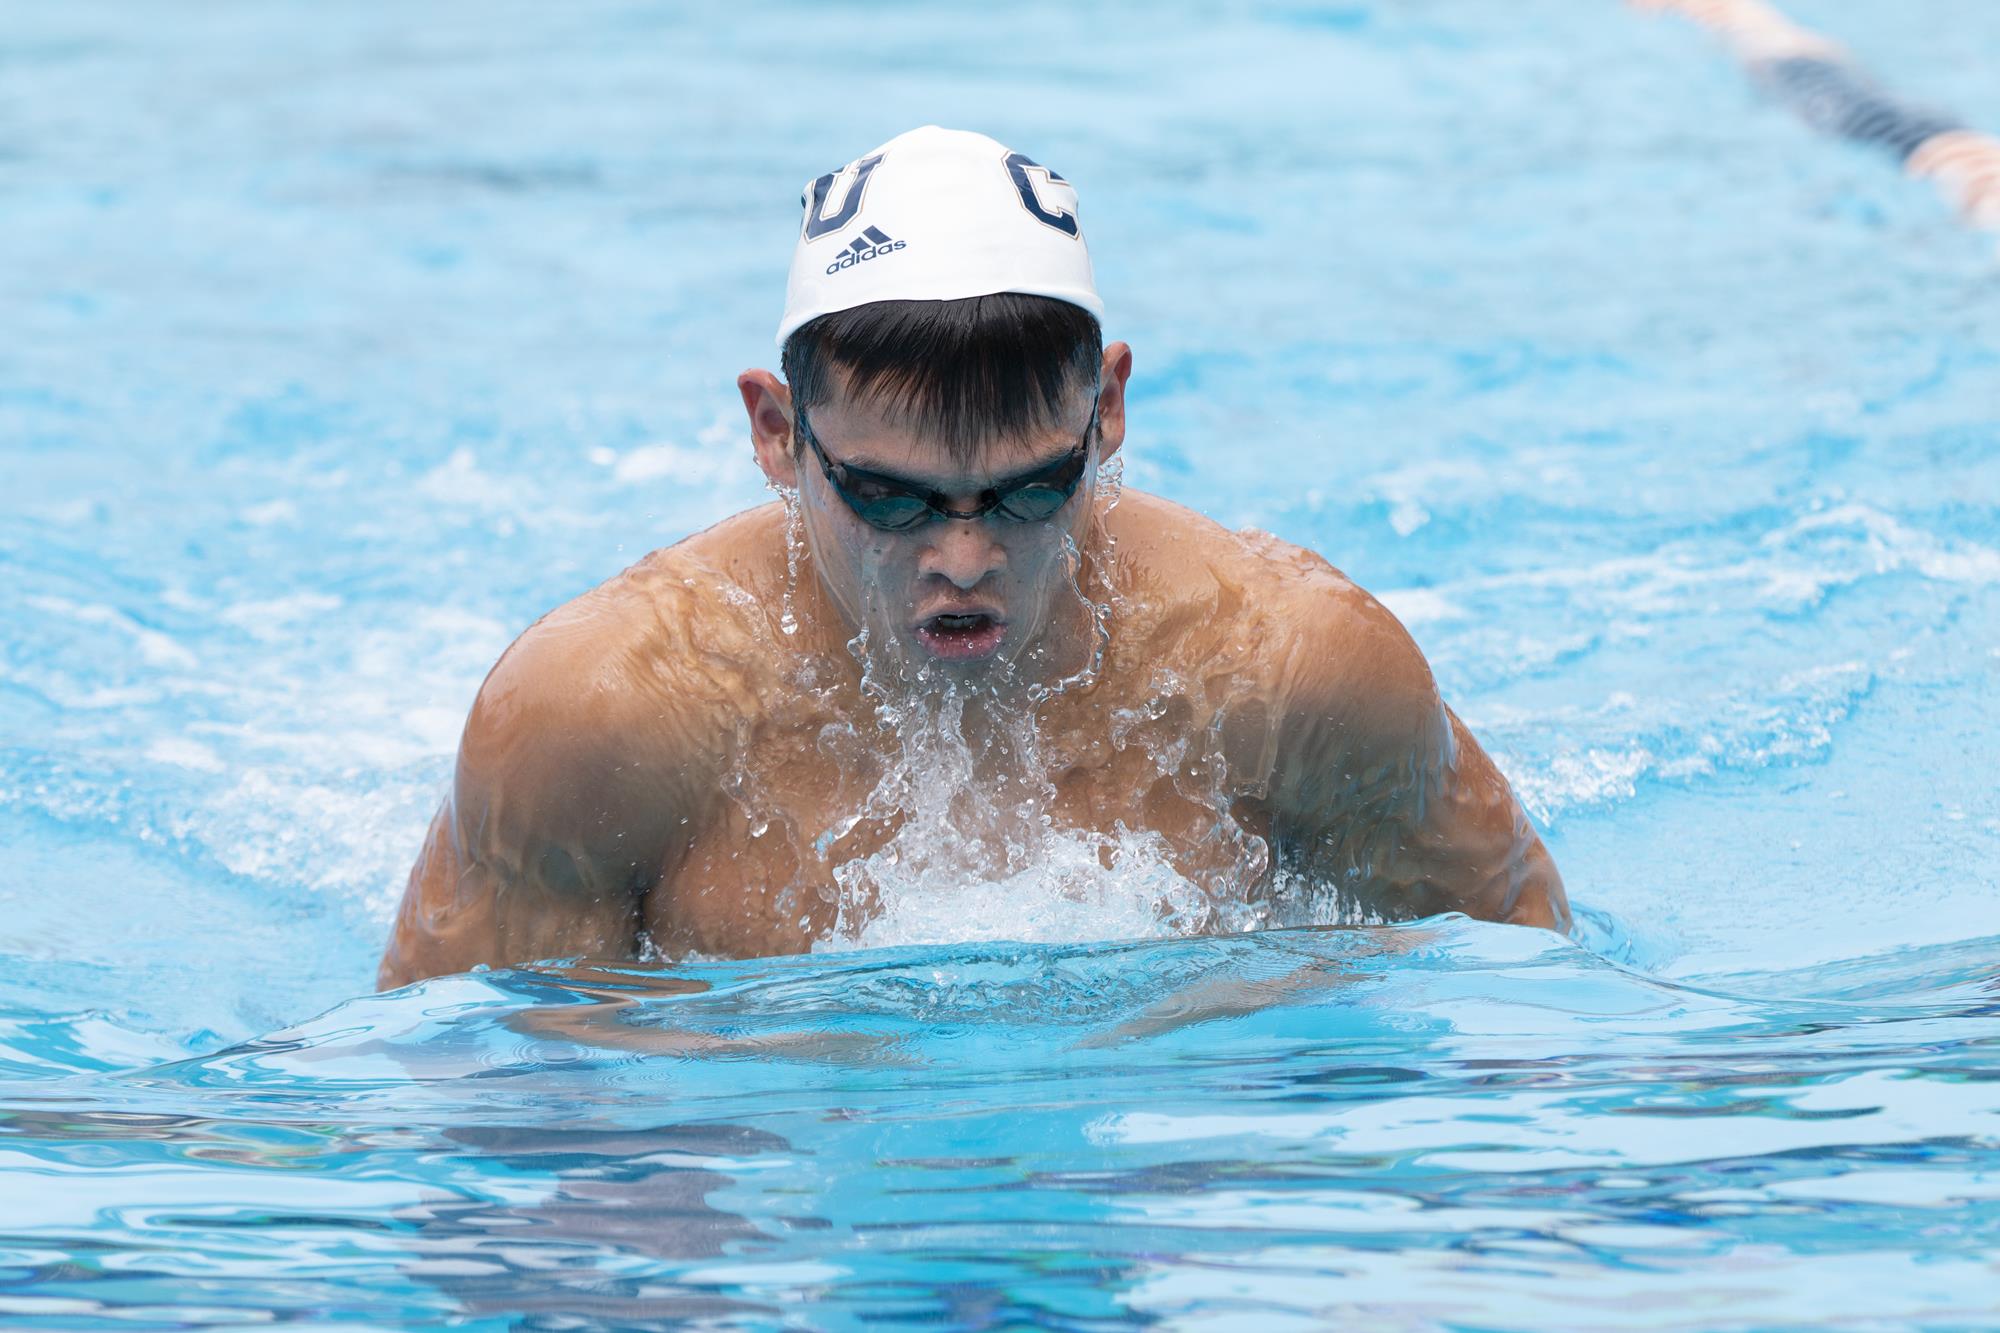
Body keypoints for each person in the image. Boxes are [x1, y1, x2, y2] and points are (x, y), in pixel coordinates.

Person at [377, 126, 1568, 989]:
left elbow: (1528, 1003)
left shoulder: (1289, 669)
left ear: (1106, 412)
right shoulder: (601, 716)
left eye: (1029, 488)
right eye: (888, 498)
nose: (961, 555)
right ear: (777, 434)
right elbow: (476, 1098)